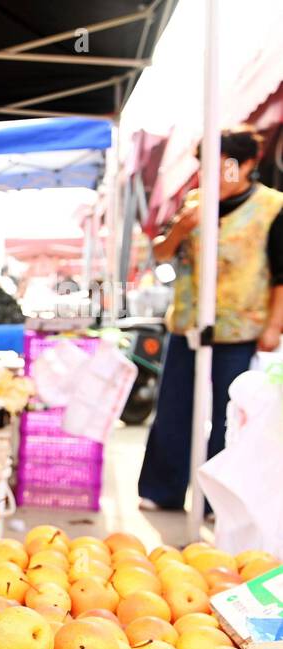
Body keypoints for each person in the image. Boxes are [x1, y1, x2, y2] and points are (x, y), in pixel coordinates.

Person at [138, 125, 283, 513]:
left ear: (249, 164)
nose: (215, 174)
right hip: (188, 324)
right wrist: (182, 227)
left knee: (229, 414)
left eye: (226, 166)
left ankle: (217, 502)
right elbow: (162, 254)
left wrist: (274, 325)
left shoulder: (272, 206)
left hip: (240, 327)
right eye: (208, 166)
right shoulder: (195, 203)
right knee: (174, 406)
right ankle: (162, 489)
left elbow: (281, 274)